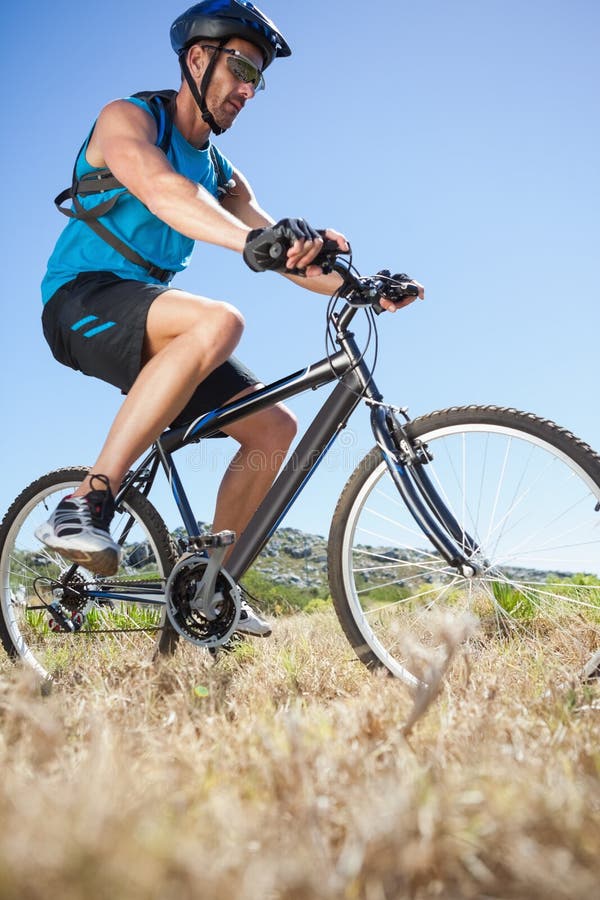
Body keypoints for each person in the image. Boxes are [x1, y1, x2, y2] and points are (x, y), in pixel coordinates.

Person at [36, 0, 423, 636]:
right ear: (197, 59)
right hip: (81, 301)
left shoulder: (223, 173)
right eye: (241, 68)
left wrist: (360, 286)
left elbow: (279, 249)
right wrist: (250, 243)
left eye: (257, 79)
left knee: (274, 428)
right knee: (220, 321)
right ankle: (88, 500)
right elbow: (164, 190)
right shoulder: (129, 119)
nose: (248, 89)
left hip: (151, 316)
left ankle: (213, 586)